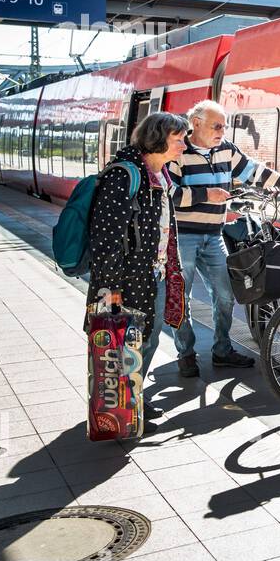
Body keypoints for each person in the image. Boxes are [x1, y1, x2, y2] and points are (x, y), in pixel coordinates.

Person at [167, 99, 280, 377]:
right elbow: (170, 194)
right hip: (184, 237)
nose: (222, 130)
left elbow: (253, 170)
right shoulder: (179, 152)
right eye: (216, 125)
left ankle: (221, 350)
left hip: (214, 234)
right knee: (181, 297)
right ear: (196, 124)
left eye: (224, 125)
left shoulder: (226, 149)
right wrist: (207, 195)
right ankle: (186, 353)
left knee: (225, 295)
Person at [85, 112, 188, 420]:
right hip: (125, 282)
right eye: (178, 139)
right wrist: (112, 294)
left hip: (152, 274)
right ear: (157, 139)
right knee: (123, 345)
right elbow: (106, 238)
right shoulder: (125, 175)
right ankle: (121, 411)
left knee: (147, 339)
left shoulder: (162, 175)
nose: (184, 144)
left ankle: (134, 400)